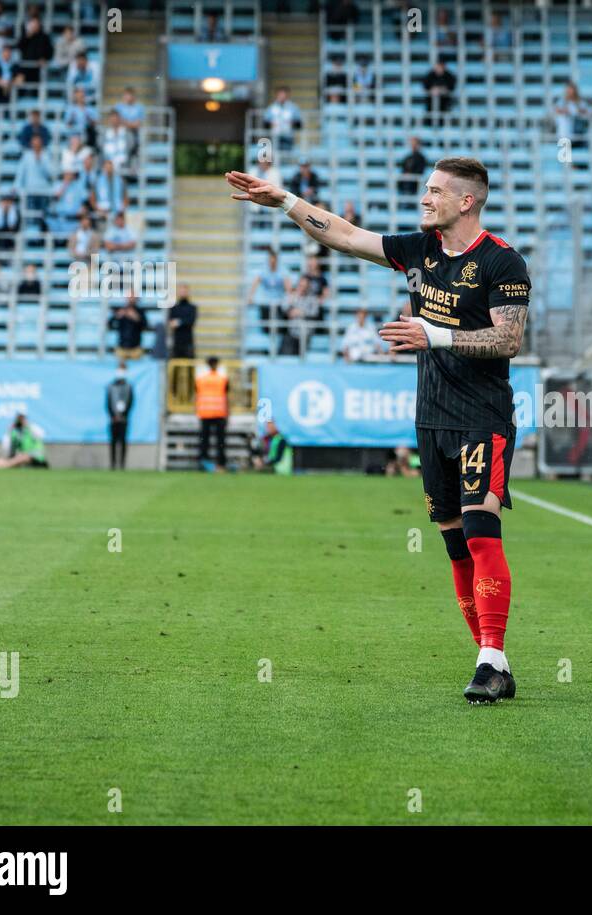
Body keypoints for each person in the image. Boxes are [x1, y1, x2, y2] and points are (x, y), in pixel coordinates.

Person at [227, 153, 532, 705]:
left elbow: (510, 341)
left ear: (465, 201)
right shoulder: (418, 251)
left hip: (481, 418)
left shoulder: (502, 263)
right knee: (456, 546)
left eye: (435, 191)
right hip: (431, 419)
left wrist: (432, 335)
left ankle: (490, 656)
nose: (425, 198)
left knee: (481, 529)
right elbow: (345, 237)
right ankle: (495, 662)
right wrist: (287, 202)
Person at [195, 356, 229, 471]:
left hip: (205, 412)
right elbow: (226, 393)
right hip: (220, 413)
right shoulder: (222, 378)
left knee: (204, 440)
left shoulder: (201, 378)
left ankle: (203, 461)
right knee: (220, 441)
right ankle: (221, 463)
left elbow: (196, 391)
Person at [106, 361, 134, 470]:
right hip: (113, 418)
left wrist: (124, 415)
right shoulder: (111, 386)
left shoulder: (128, 387)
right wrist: (113, 415)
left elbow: (131, 402)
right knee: (113, 441)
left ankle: (122, 464)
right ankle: (113, 464)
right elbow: (108, 402)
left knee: (123, 441)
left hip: (124, 418)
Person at [109, 295, 146, 360]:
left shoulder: (140, 311)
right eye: (130, 296)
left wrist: (136, 318)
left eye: (133, 297)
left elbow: (145, 326)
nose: (131, 299)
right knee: (120, 369)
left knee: (137, 368)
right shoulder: (121, 310)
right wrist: (117, 316)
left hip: (136, 348)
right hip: (121, 347)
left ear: (137, 298)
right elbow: (109, 324)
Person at [169, 284, 197, 359]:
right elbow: (171, 322)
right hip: (177, 341)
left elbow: (191, 321)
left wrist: (179, 322)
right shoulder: (174, 307)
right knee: (175, 366)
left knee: (190, 366)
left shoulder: (192, 307)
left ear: (188, 292)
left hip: (188, 341)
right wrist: (184, 321)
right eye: (181, 291)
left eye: (184, 291)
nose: (183, 293)